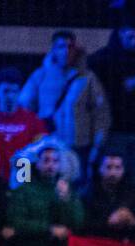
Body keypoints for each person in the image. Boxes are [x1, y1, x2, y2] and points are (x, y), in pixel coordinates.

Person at [18, 31, 111, 182]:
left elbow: (101, 113)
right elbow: (24, 106)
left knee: (75, 186)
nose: (66, 51)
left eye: (70, 46)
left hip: (78, 144)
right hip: (47, 144)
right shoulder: (40, 75)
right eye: (61, 46)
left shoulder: (87, 78)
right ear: (53, 49)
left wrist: (97, 144)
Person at [88, 25, 135, 195]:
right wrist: (122, 87)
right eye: (130, 36)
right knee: (111, 176)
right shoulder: (100, 61)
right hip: (112, 130)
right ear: (120, 34)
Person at [0, 68, 47, 182]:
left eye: (14, 91)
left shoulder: (31, 119)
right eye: (6, 91)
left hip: (23, 176)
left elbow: (43, 148)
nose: (10, 96)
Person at [81, 150, 135, 237]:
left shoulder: (134, 192)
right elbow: (83, 227)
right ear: (100, 169)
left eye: (117, 167)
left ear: (123, 170)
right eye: (108, 167)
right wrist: (108, 222)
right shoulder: (88, 193)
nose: (113, 173)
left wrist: (132, 220)